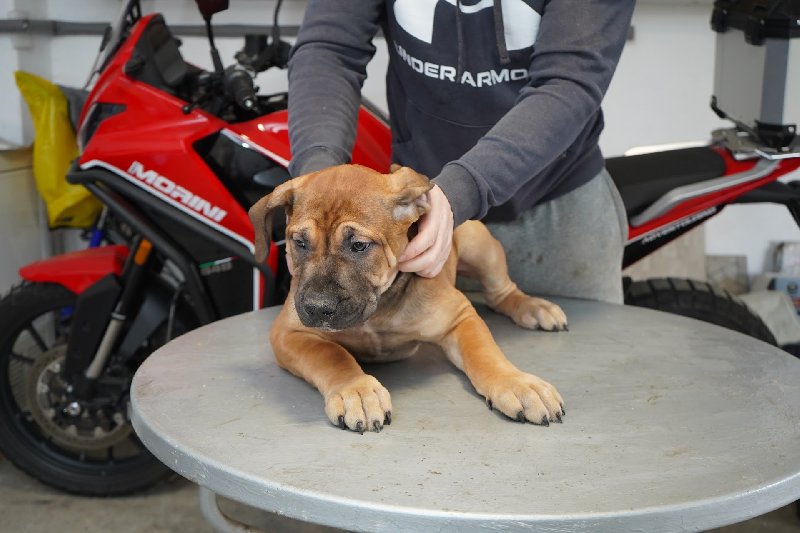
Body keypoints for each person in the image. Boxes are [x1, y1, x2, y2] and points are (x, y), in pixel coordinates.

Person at [286, 0, 635, 304]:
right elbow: (330, 48)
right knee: (411, 377)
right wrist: (317, 180)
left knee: (587, 370)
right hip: (414, 222)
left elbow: (567, 82)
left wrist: (461, 190)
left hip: (557, 215)